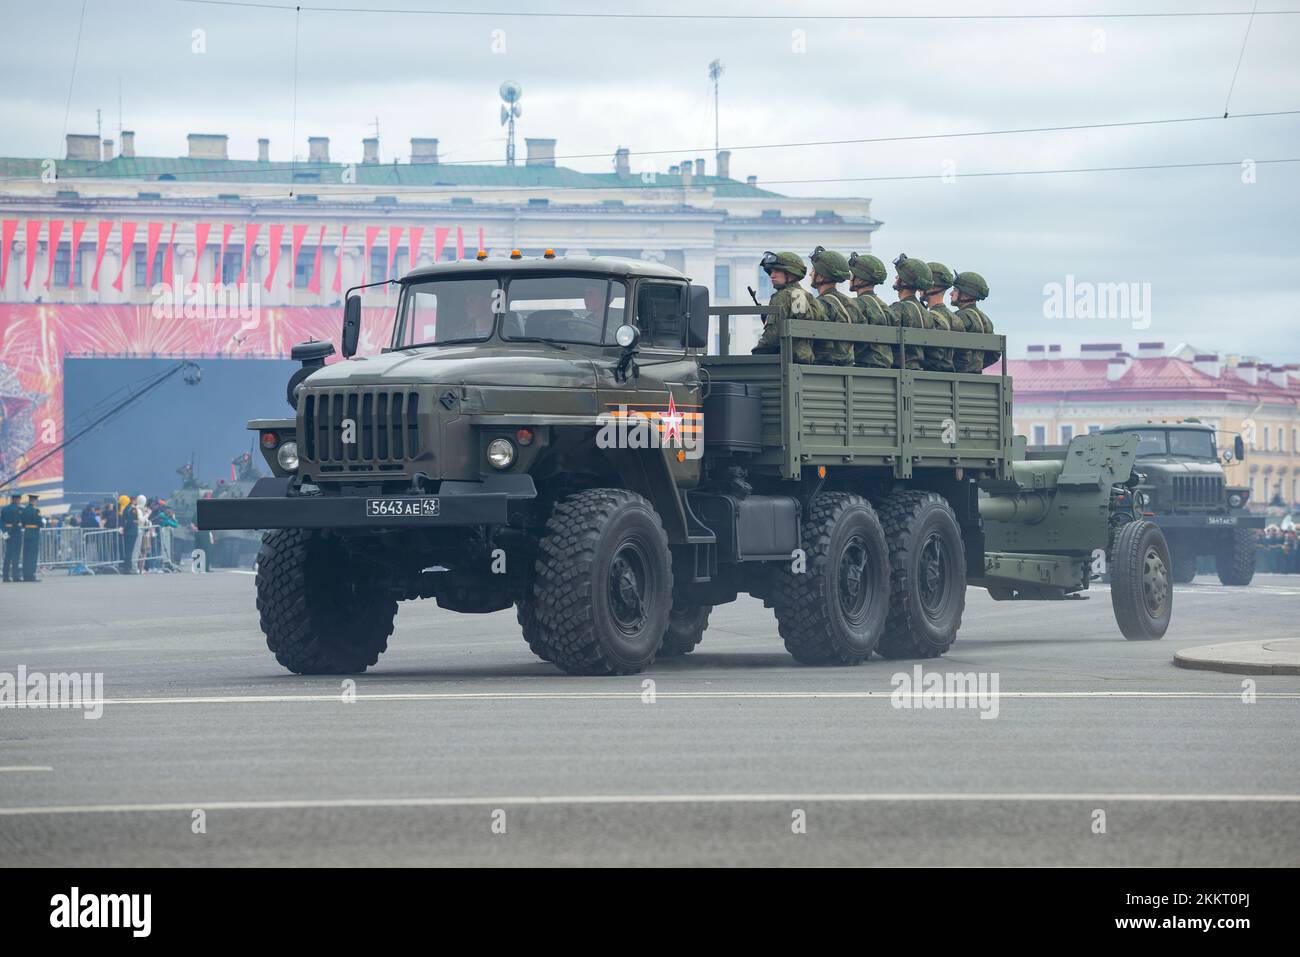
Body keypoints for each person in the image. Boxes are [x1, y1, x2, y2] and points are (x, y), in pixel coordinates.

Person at [751, 251, 824, 363]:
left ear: (791, 273)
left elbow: (772, 336)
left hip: (785, 361)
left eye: (777, 270)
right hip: (806, 361)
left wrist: (757, 353)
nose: (772, 275)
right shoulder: (808, 296)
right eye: (770, 271)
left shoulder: (783, 296)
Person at [807, 247, 861, 366]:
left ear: (821, 276)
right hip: (848, 366)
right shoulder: (852, 303)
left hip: (822, 367)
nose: (810, 274)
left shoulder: (819, 304)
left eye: (813, 270)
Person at [847, 252, 895, 369]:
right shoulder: (885, 307)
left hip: (862, 367)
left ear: (860, 280)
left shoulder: (855, 305)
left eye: (853, 275)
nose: (850, 278)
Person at [889, 254, 935, 370]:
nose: (896, 277)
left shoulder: (898, 309)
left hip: (898, 370)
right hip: (919, 370)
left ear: (904, 281)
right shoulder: (927, 313)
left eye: (899, 275)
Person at [951, 270, 1000, 370]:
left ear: (966, 295)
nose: (951, 294)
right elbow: (994, 354)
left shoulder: (958, 317)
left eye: (955, 290)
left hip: (955, 376)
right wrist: (974, 368)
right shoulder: (986, 320)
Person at [922, 262, 957, 373]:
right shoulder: (956, 319)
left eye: (923, 284)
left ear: (931, 287)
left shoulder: (929, 317)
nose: (919, 289)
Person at [19, 493, 43, 583]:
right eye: (36, 501)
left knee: (26, 555)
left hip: (27, 533)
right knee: (32, 556)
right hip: (34, 534)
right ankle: (31, 576)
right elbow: (40, 523)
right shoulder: (36, 511)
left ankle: (25, 575)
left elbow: (23, 523)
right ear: (34, 501)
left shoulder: (24, 510)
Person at [1, 491, 21, 582]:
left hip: (7, 534)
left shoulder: (4, 509)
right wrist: (12, 531)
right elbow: (17, 522)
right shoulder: (18, 509)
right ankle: (15, 576)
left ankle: (5, 576)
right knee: (15, 556)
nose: (19, 501)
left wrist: (5, 532)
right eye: (19, 499)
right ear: (16, 499)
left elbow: (1, 522)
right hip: (16, 533)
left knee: (8, 555)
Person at [120, 494, 141, 574]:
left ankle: (126, 567)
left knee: (127, 550)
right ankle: (127, 568)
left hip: (128, 532)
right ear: (133, 500)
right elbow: (131, 521)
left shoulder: (126, 508)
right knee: (130, 551)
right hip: (131, 532)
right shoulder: (132, 509)